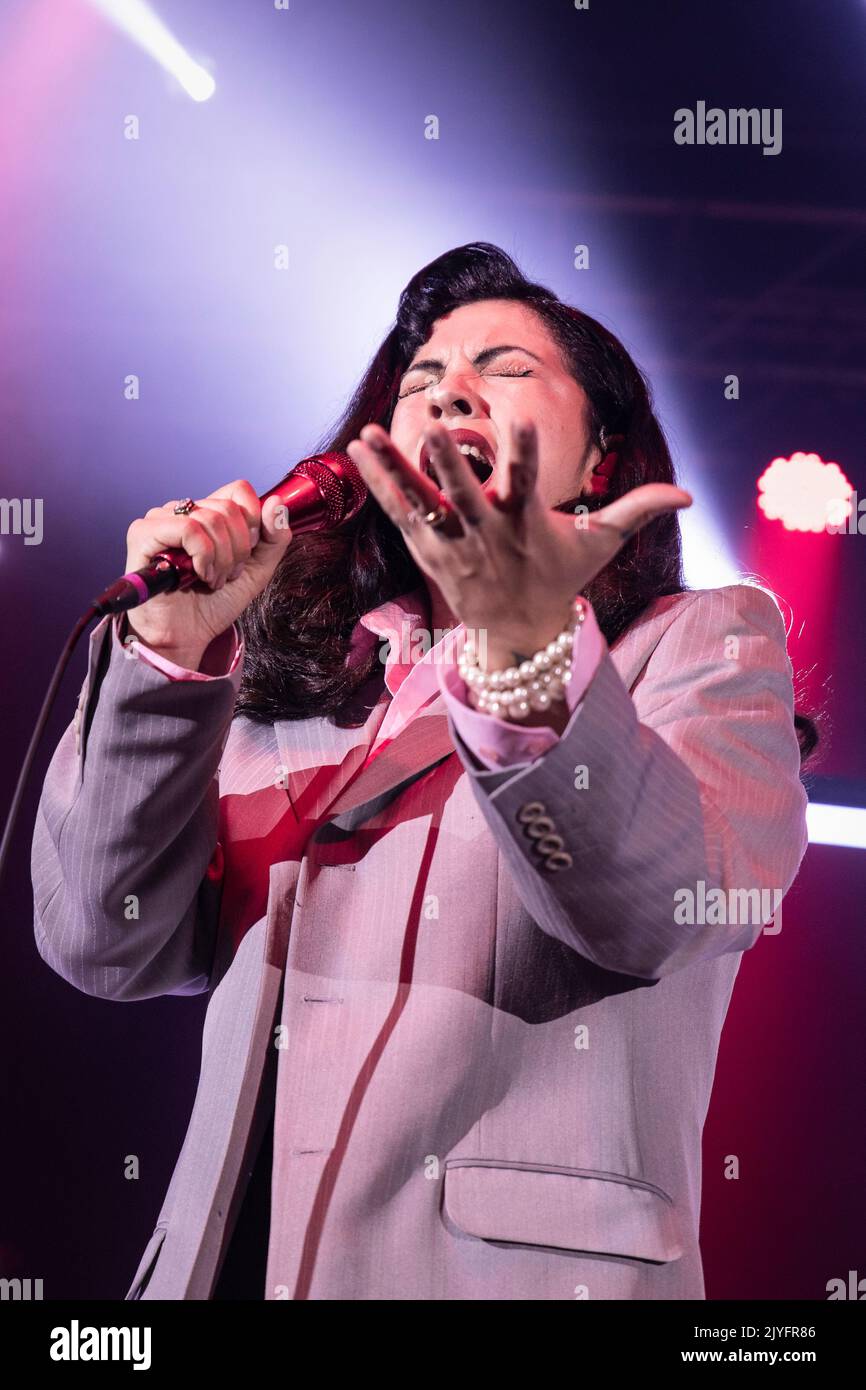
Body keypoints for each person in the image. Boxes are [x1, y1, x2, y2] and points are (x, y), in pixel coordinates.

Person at [31, 243, 811, 1301]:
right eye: (416, 380)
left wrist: (524, 650)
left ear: (597, 461)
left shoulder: (697, 645)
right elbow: (97, 941)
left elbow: (663, 905)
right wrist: (168, 659)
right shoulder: (290, 694)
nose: (446, 387)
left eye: (502, 367)